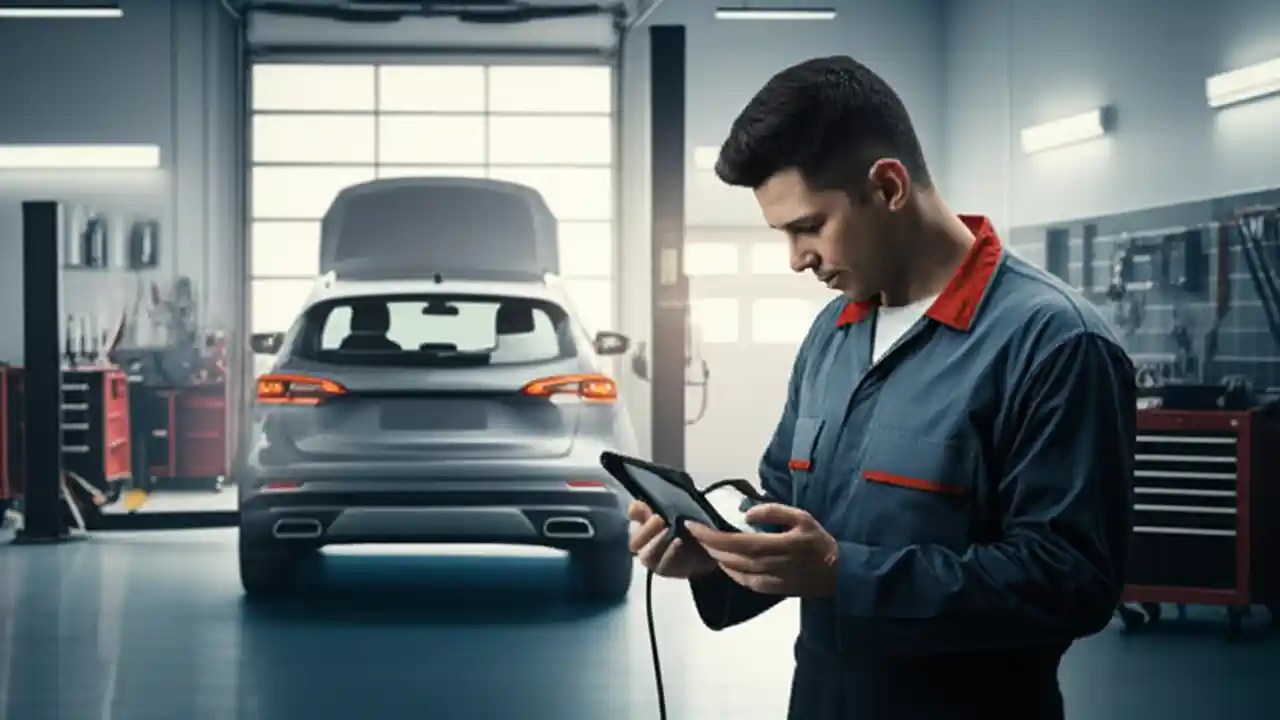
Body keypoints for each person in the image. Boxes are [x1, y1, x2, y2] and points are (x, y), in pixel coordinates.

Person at [627, 56, 1136, 720]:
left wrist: (846, 571)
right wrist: (716, 555)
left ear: (889, 186)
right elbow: (786, 509)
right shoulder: (833, 334)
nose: (796, 258)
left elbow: (1072, 581)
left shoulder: (1055, 344)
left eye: (809, 226)